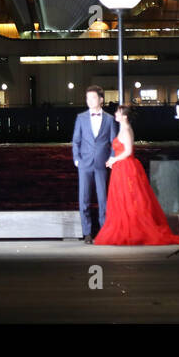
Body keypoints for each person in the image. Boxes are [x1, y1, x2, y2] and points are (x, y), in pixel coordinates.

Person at [95, 104, 179, 246]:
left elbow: (128, 151)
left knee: (129, 198)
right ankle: (125, 227)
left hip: (126, 168)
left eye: (118, 112)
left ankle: (132, 229)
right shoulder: (122, 129)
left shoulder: (126, 130)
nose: (115, 114)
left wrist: (114, 159)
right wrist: (115, 160)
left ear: (124, 116)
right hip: (120, 168)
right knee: (121, 199)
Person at [71, 85, 118, 243]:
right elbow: (76, 141)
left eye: (93, 98)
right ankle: (87, 233)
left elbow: (114, 143)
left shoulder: (110, 119)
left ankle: (104, 231)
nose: (90, 101)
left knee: (103, 199)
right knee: (84, 198)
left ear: (101, 100)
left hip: (101, 164)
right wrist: (76, 159)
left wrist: (111, 158)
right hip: (84, 164)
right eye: (88, 98)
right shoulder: (81, 117)